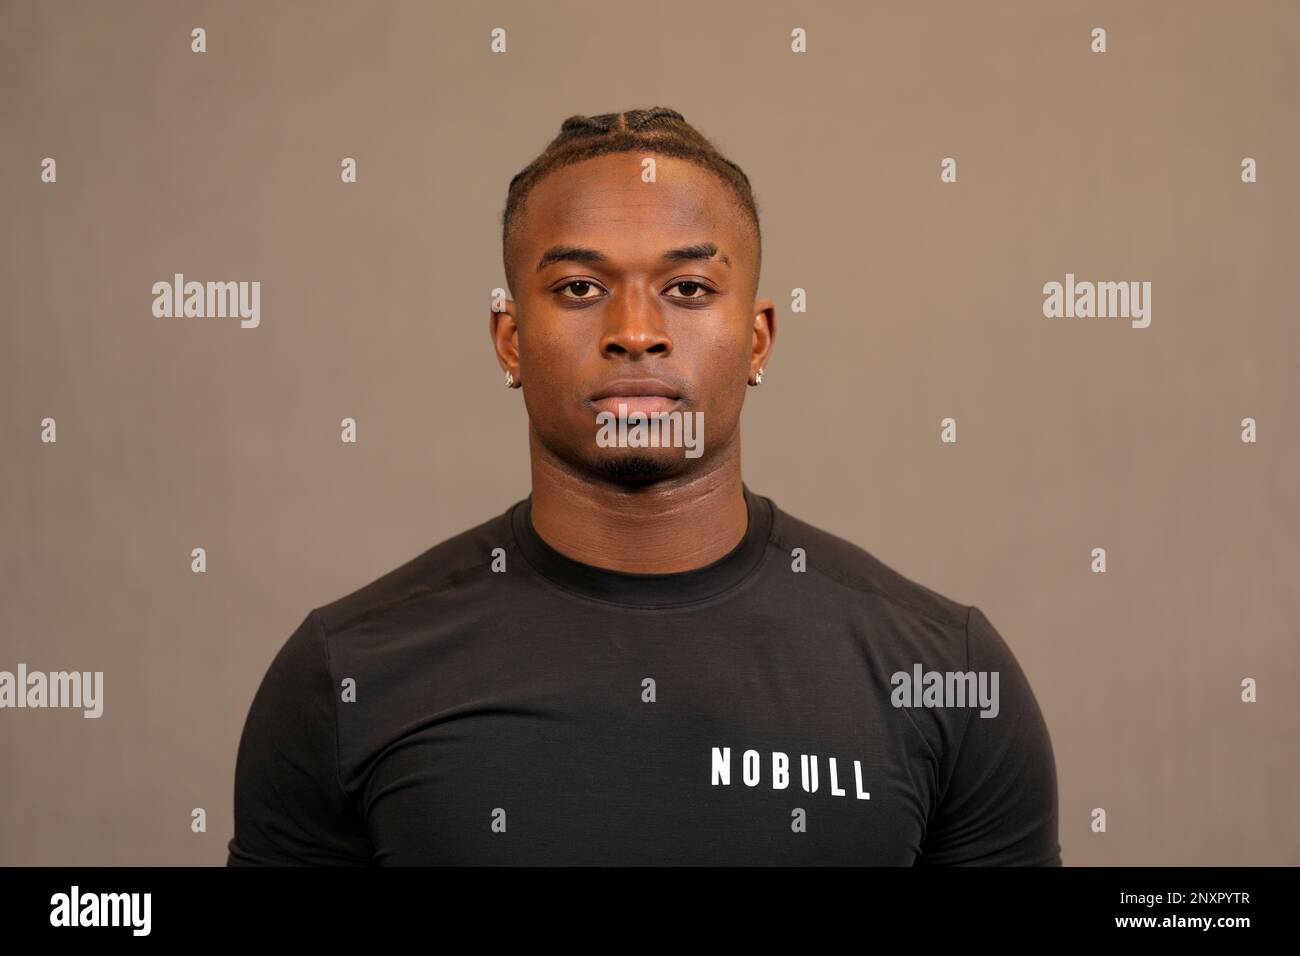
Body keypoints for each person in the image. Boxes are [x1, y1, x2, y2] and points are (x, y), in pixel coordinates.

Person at [227, 107, 1061, 866]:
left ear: (759, 339)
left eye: (689, 289)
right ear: (510, 341)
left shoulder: (944, 669)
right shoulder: (346, 674)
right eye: (580, 289)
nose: (635, 332)